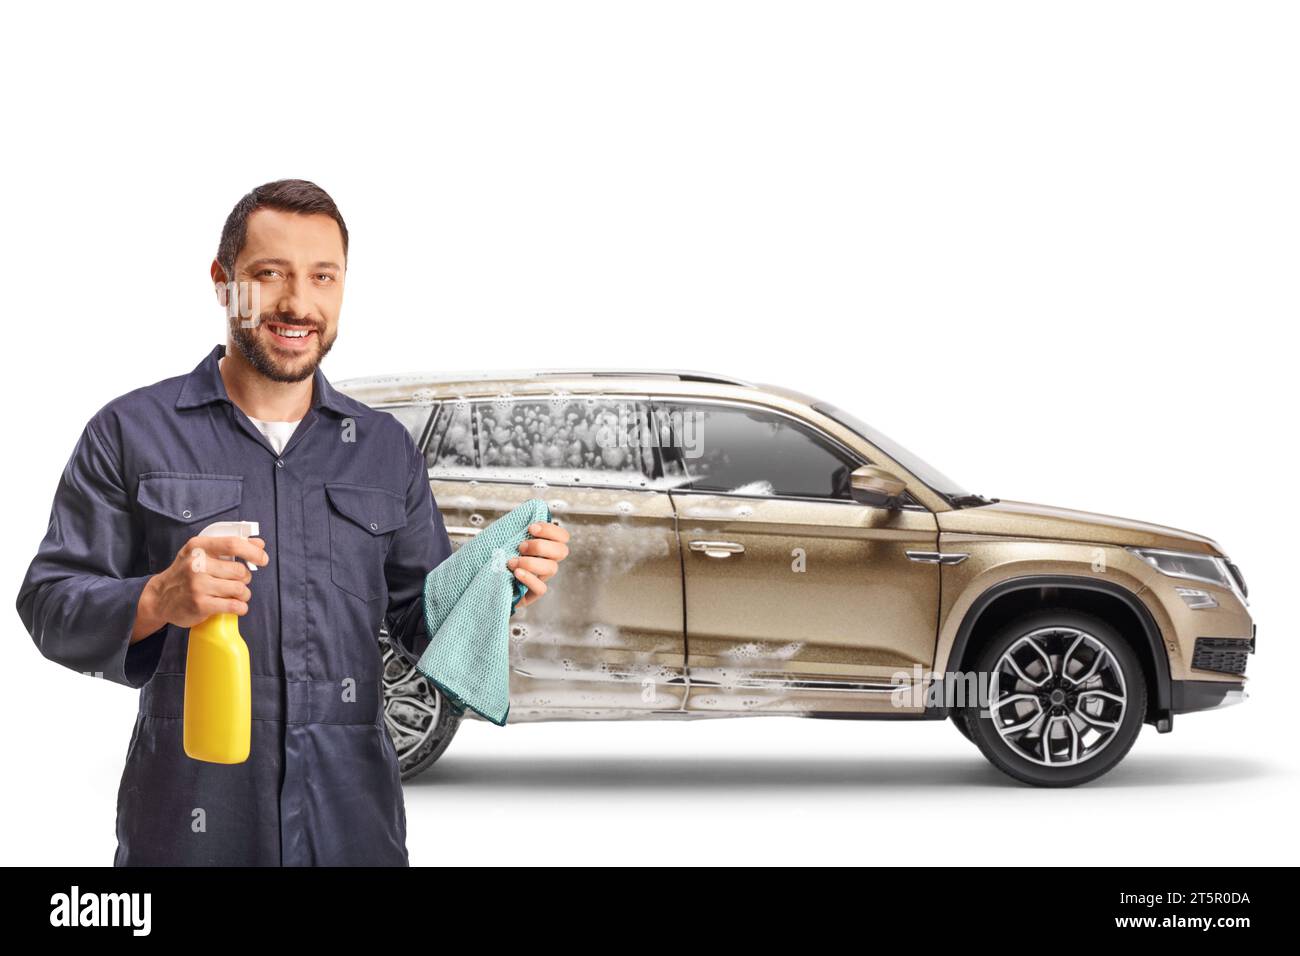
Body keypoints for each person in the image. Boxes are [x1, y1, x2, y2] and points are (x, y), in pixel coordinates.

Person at [14, 179, 570, 865]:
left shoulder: (384, 450)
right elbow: (48, 603)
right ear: (223, 283)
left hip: (352, 823)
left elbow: (422, 620)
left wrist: (499, 583)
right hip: (190, 826)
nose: (298, 304)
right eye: (269, 274)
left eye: (322, 277)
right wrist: (157, 598)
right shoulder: (131, 433)